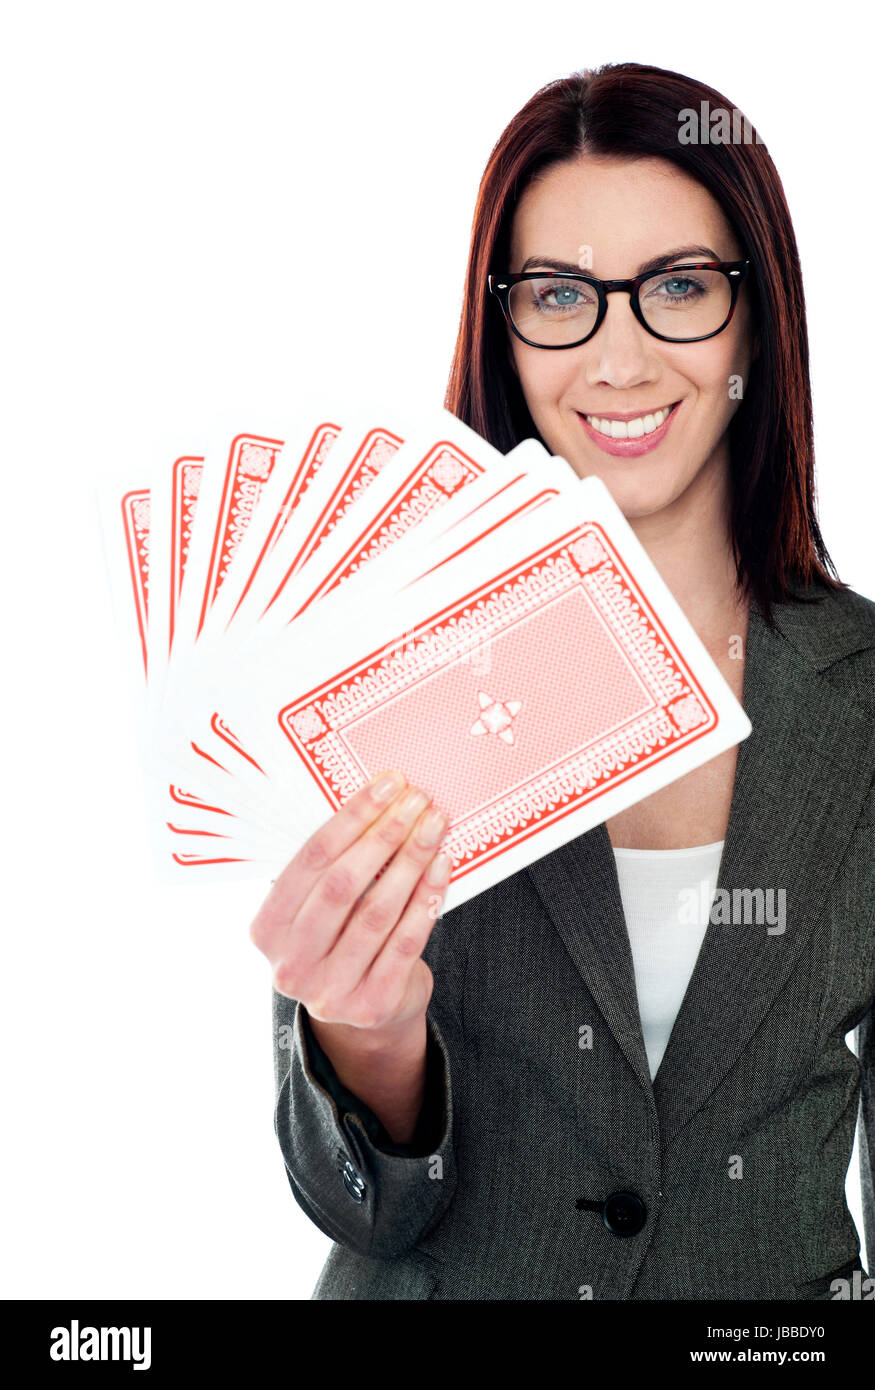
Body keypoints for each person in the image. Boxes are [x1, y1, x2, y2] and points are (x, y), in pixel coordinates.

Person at [250, 61, 875, 1300]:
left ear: (758, 316)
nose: (619, 356)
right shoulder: (373, 662)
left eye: (679, 289)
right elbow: (361, 1210)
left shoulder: (862, 698)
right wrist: (361, 1034)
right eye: (558, 295)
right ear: (502, 323)